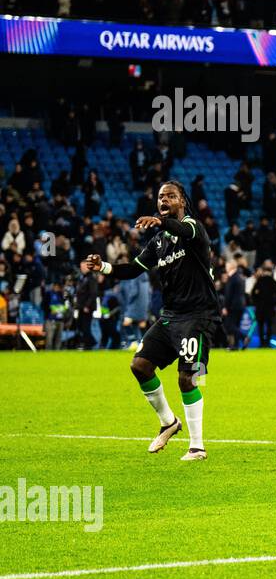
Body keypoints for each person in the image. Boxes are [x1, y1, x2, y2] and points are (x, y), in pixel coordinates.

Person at [78, 181, 220, 461]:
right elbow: (132, 269)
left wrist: (162, 221)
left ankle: (197, 446)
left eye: (170, 196)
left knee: (188, 377)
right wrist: (103, 267)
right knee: (140, 365)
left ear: (182, 201)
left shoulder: (194, 228)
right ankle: (169, 422)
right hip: (170, 317)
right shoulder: (159, 242)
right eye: (160, 197)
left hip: (198, 317)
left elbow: (180, 229)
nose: (164, 199)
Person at [251, 260, 276, 347]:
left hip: (260, 308)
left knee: (261, 326)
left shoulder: (259, 281)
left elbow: (253, 294)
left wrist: (256, 302)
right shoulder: (274, 282)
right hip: (270, 308)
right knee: (269, 326)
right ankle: (267, 343)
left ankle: (262, 343)